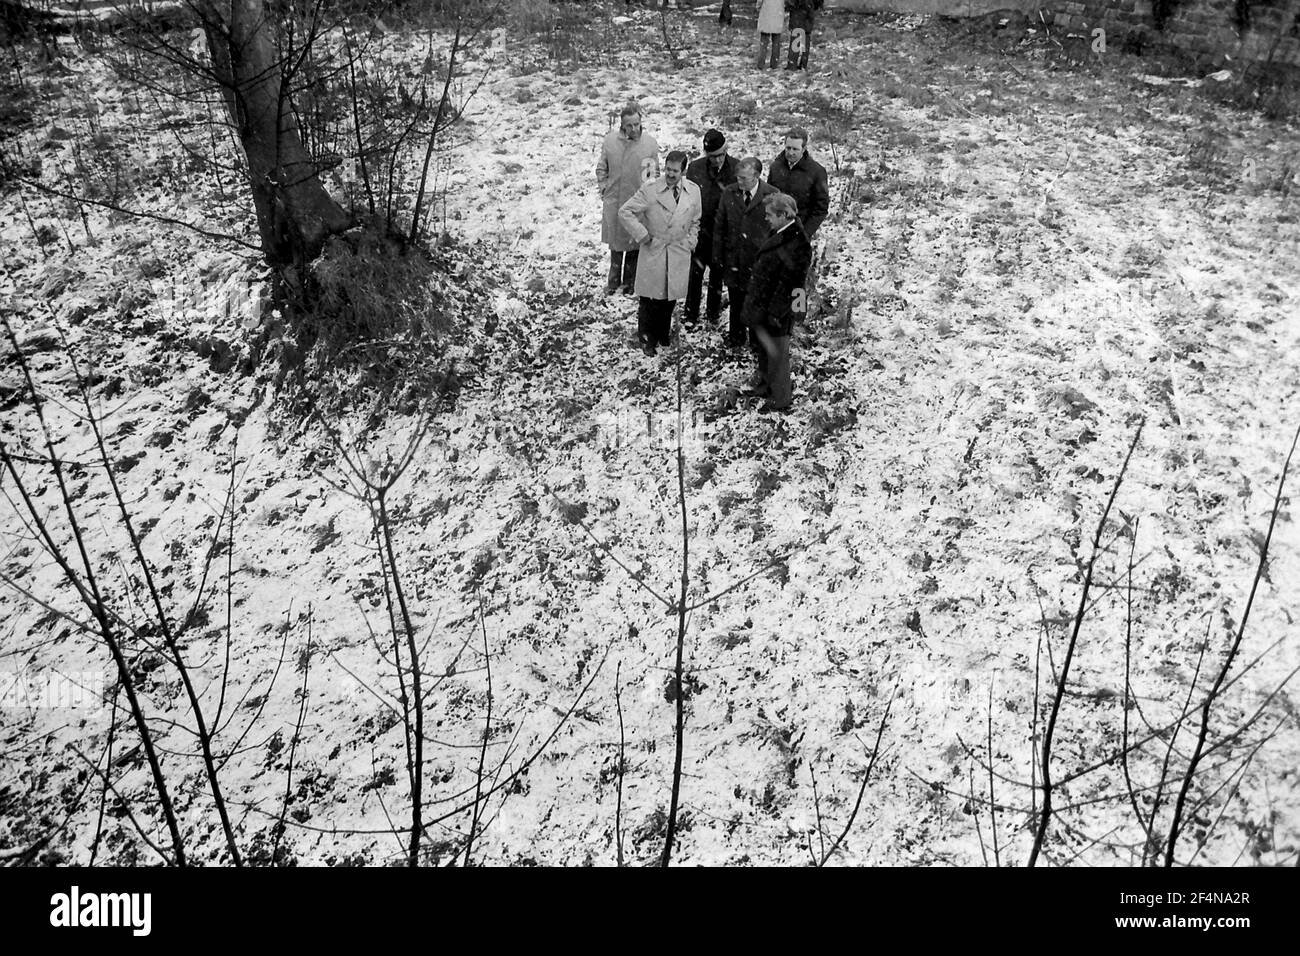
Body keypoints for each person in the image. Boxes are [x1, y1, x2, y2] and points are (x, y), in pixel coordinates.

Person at [618, 151, 702, 357]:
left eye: (675, 171)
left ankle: (663, 335)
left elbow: (696, 220)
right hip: (655, 249)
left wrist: (691, 241)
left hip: (679, 250)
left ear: (684, 171)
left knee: (669, 297)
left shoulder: (693, 190)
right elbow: (625, 212)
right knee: (649, 298)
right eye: (668, 169)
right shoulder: (651, 189)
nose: (671, 174)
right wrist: (643, 235)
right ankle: (647, 338)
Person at [741, 193, 811, 413]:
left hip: (777, 310)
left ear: (783, 215)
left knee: (777, 354)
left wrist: (774, 312)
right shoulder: (780, 232)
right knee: (764, 349)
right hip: (763, 305)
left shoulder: (798, 243)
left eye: (770, 215)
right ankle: (766, 386)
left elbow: (791, 285)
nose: (766, 219)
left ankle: (780, 400)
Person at [596, 103, 660, 295]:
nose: (634, 129)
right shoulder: (610, 142)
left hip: (636, 201)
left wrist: (648, 198)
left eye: (637, 124)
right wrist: (604, 187)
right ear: (622, 126)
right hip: (615, 200)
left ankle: (630, 283)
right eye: (629, 125)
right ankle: (613, 282)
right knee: (616, 244)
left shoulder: (649, 144)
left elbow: (653, 174)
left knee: (634, 242)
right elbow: (602, 168)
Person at [713, 157, 777, 347]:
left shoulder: (772, 195)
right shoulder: (729, 193)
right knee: (736, 303)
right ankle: (736, 339)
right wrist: (718, 257)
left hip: (759, 263)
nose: (739, 182)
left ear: (756, 176)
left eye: (743, 178)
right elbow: (720, 226)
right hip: (734, 260)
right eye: (738, 177)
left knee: (758, 305)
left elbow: (777, 232)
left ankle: (757, 344)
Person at [684, 129, 739, 328]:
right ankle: (690, 314)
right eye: (712, 157)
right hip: (700, 231)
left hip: (723, 234)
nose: (716, 161)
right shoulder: (695, 168)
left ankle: (713, 313)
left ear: (726, 151)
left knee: (717, 274)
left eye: (720, 156)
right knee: (695, 275)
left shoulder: (736, 169)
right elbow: (687, 198)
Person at [766, 126, 829, 239]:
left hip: (799, 232)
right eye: (788, 148)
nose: (790, 153)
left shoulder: (817, 172)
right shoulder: (775, 167)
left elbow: (820, 209)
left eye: (795, 149)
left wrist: (805, 233)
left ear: (804, 149)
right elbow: (769, 197)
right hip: (774, 231)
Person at [785, 0, 823, 70]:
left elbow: (789, 4)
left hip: (798, 16)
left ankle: (792, 65)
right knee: (805, 41)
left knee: (796, 42)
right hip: (807, 16)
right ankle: (803, 64)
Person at [756, 0, 784, 69]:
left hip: (766, 15)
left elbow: (759, 2)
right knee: (776, 43)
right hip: (778, 15)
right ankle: (774, 64)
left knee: (763, 43)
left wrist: (758, 7)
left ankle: (761, 64)